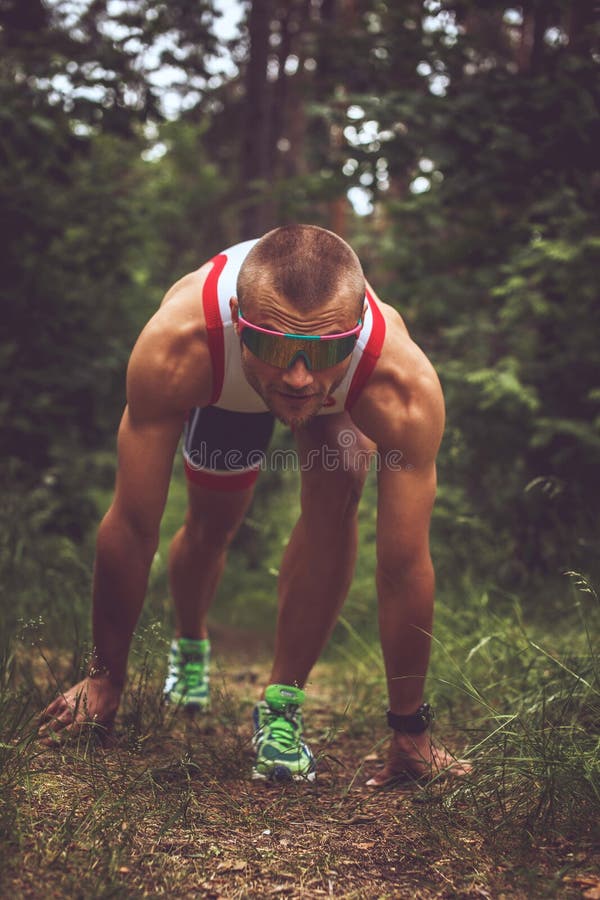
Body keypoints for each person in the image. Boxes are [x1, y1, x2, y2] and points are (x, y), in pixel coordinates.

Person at [39, 224, 469, 785]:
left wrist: (410, 727)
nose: (297, 376)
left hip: (332, 398)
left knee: (340, 477)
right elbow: (133, 522)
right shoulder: (182, 341)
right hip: (230, 388)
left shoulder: (398, 380)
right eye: (272, 345)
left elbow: (404, 565)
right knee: (212, 526)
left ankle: (281, 706)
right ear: (239, 316)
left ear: (357, 325)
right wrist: (104, 678)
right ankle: (191, 640)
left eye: (323, 350)